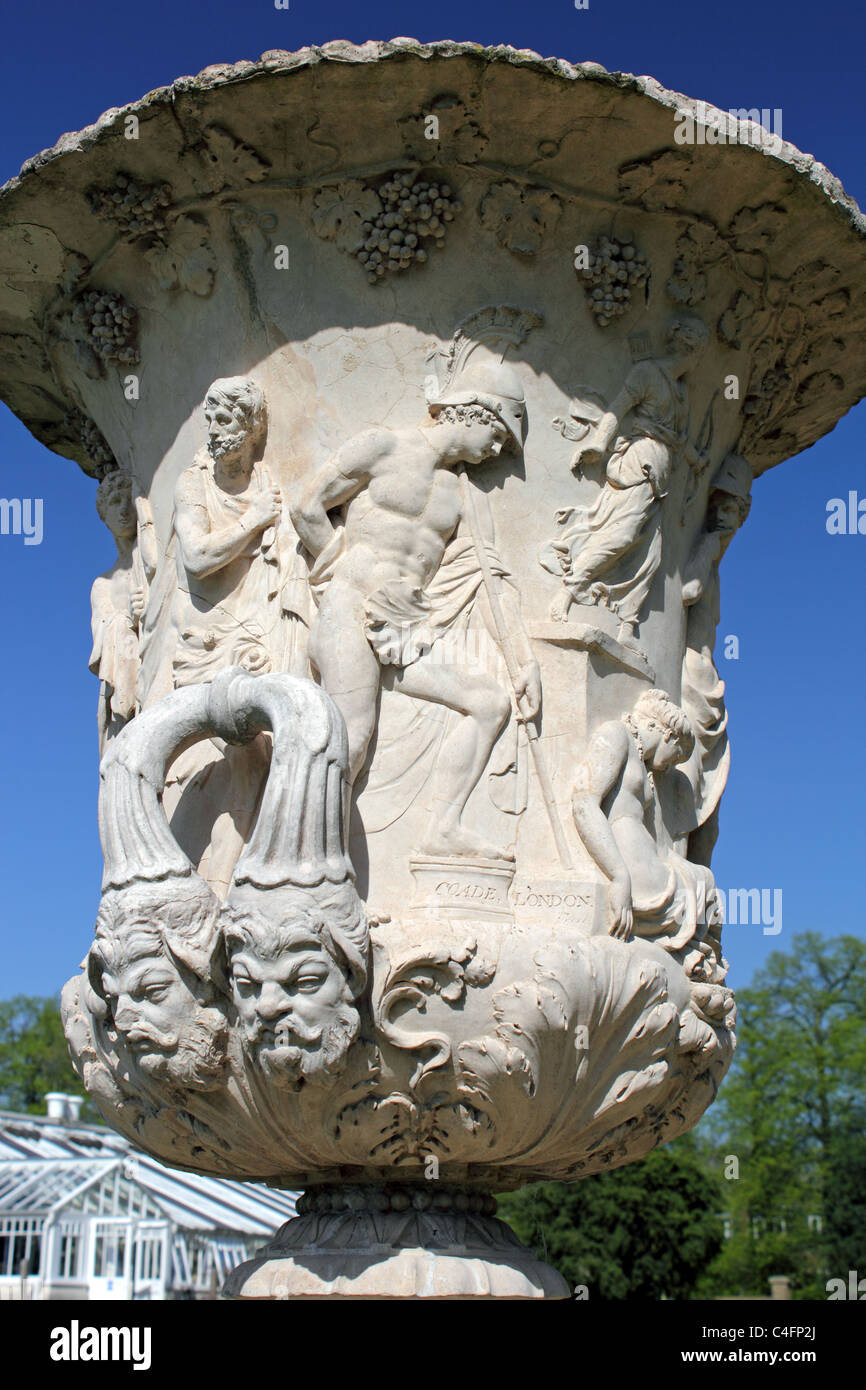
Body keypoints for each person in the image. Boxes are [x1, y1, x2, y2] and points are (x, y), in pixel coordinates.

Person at [291, 361, 540, 861]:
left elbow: (487, 580)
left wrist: (523, 662)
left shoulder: (462, 495)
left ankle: (442, 830)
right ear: (472, 412)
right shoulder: (383, 445)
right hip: (350, 610)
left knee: (489, 702)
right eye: (496, 435)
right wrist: (347, 573)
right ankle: (310, 860)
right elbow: (307, 507)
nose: (496, 451)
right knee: (351, 736)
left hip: (405, 629)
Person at [543, 315, 711, 637]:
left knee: (653, 554)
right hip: (639, 465)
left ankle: (627, 626)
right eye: (699, 352)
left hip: (660, 478)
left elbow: (675, 438)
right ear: (691, 350)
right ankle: (566, 592)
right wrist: (597, 444)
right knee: (622, 536)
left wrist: (696, 459)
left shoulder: (680, 392)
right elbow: (618, 408)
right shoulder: (648, 373)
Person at [571, 687, 720, 954]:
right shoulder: (616, 734)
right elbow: (584, 802)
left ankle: (695, 959)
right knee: (702, 890)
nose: (670, 765)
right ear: (667, 734)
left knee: (705, 881)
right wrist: (618, 876)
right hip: (629, 871)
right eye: (676, 755)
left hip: (646, 864)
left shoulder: (642, 762)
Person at [89, 471, 156, 753]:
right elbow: (101, 641)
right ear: (104, 516)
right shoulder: (103, 583)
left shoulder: (149, 557)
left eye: (128, 500)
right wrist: (127, 617)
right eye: (115, 502)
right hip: (123, 678)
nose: (123, 509)